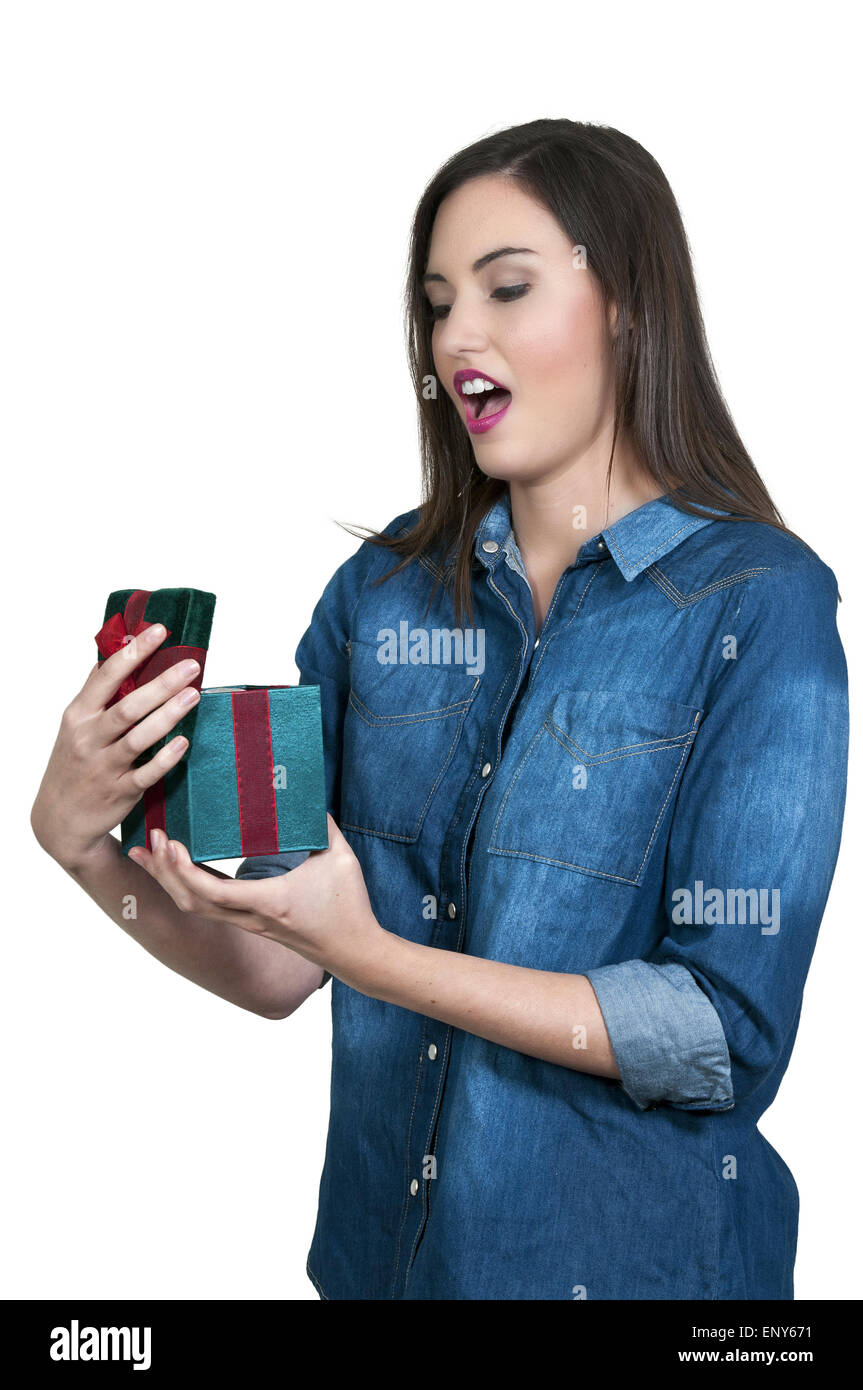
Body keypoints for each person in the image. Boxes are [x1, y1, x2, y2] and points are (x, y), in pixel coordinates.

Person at [32, 119, 849, 1300]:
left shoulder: (762, 607)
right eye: (434, 303)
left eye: (506, 287)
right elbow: (276, 967)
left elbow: (717, 1037)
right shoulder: (378, 599)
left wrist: (376, 954)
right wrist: (81, 843)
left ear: (625, 300)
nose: (455, 335)